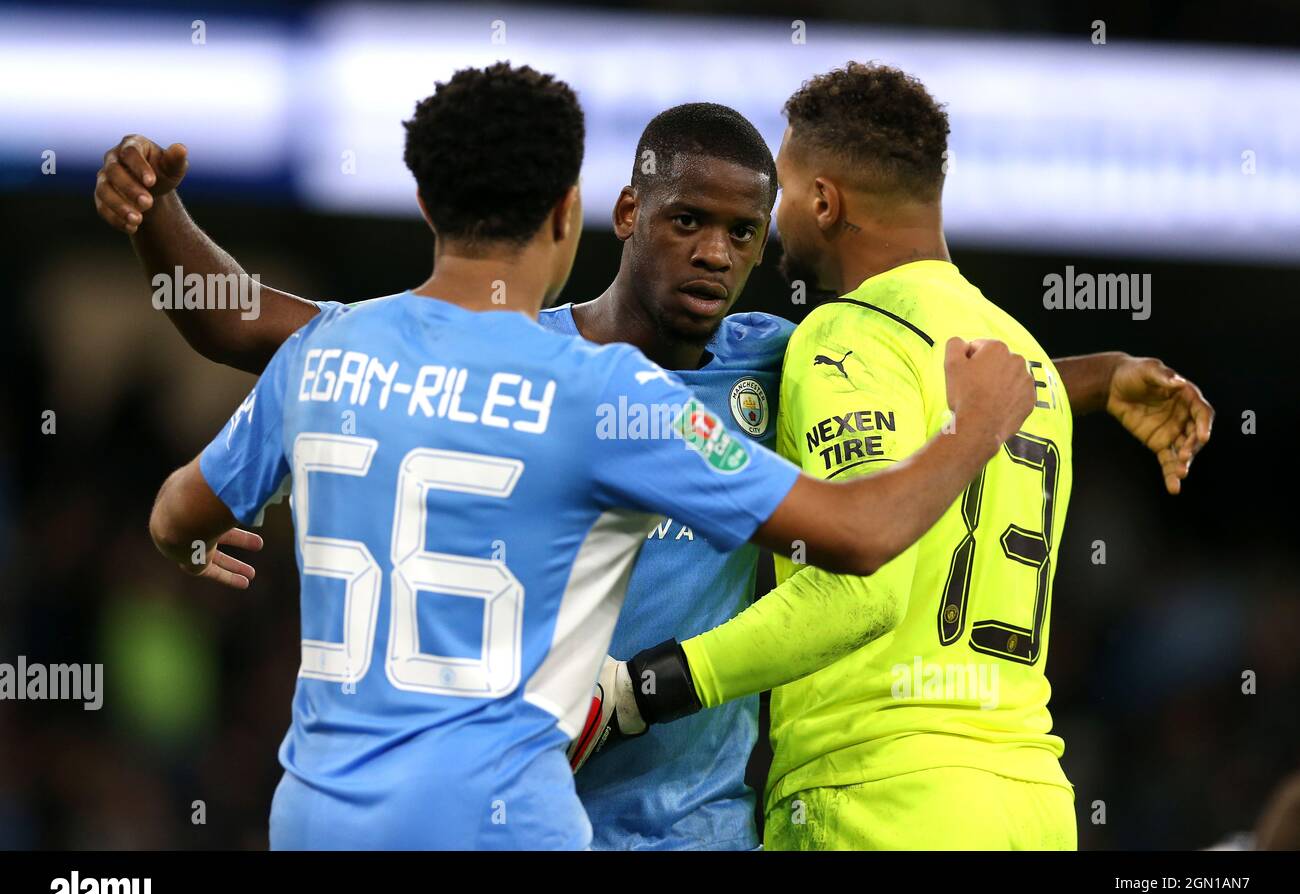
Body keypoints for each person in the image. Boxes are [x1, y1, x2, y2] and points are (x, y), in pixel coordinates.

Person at [99, 95, 1211, 851]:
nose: (717, 253)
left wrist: (1104, 372)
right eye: (688, 220)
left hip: (694, 819)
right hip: (535, 802)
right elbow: (247, 323)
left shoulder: (777, 361)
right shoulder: (527, 358)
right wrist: (160, 224)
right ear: (622, 215)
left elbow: (940, 380)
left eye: (741, 229)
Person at [574, 62, 1214, 851]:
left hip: (881, 797)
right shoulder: (1018, 359)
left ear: (821, 201)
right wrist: (1106, 371)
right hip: (1034, 799)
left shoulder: (840, 337)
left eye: (762, 215)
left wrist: (643, 687)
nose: (751, 240)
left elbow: (860, 590)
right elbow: (964, 398)